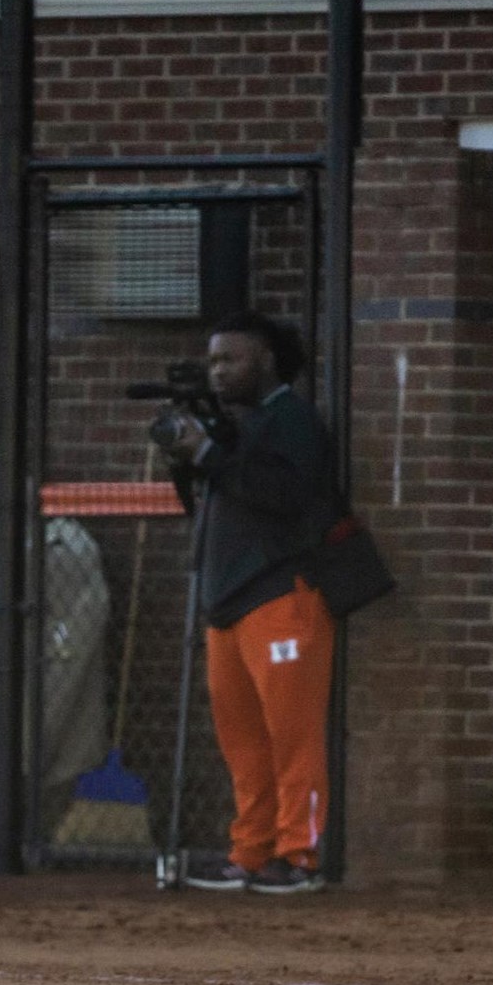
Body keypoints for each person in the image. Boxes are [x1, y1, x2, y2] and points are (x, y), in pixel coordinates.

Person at [165, 311, 336, 896]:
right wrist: (187, 457)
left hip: (280, 594)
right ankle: (251, 851)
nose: (217, 372)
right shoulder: (233, 424)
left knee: (293, 736)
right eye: (212, 360)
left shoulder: (292, 419)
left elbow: (287, 495)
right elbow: (205, 503)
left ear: (263, 360)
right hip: (226, 601)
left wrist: (211, 454)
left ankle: (300, 856)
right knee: (242, 741)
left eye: (228, 359)